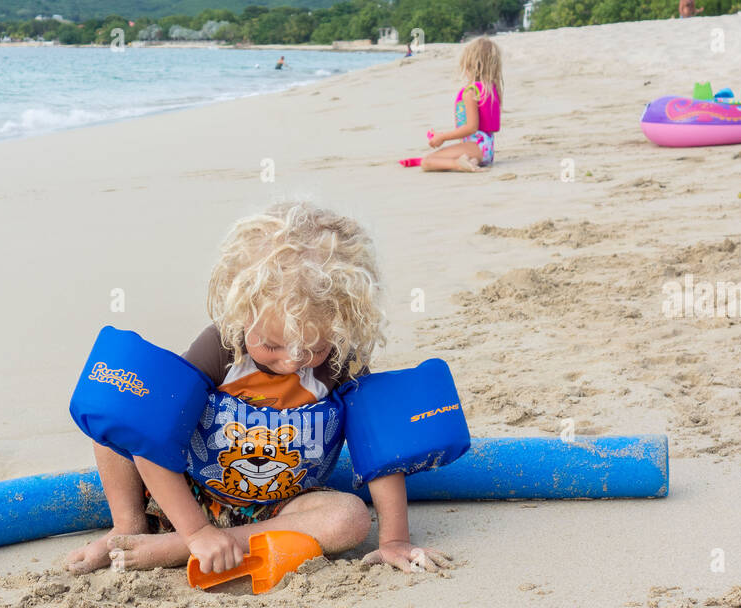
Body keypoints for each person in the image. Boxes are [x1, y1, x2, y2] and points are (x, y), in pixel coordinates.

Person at [65, 201, 455, 576]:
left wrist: (394, 540)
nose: (291, 362)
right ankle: (129, 525)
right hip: (188, 494)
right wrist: (196, 528)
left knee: (350, 519)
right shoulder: (220, 348)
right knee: (123, 410)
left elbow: (383, 452)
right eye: (272, 346)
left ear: (341, 324)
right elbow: (150, 437)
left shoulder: (341, 363)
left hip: (280, 508)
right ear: (240, 309)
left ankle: (183, 546)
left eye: (313, 349)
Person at [421, 36, 502, 172]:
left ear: (469, 64)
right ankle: (471, 162)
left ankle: (458, 164)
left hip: (475, 146)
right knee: (449, 157)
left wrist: (442, 137)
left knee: (427, 162)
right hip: (487, 150)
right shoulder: (491, 90)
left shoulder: (471, 92)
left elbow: (471, 127)